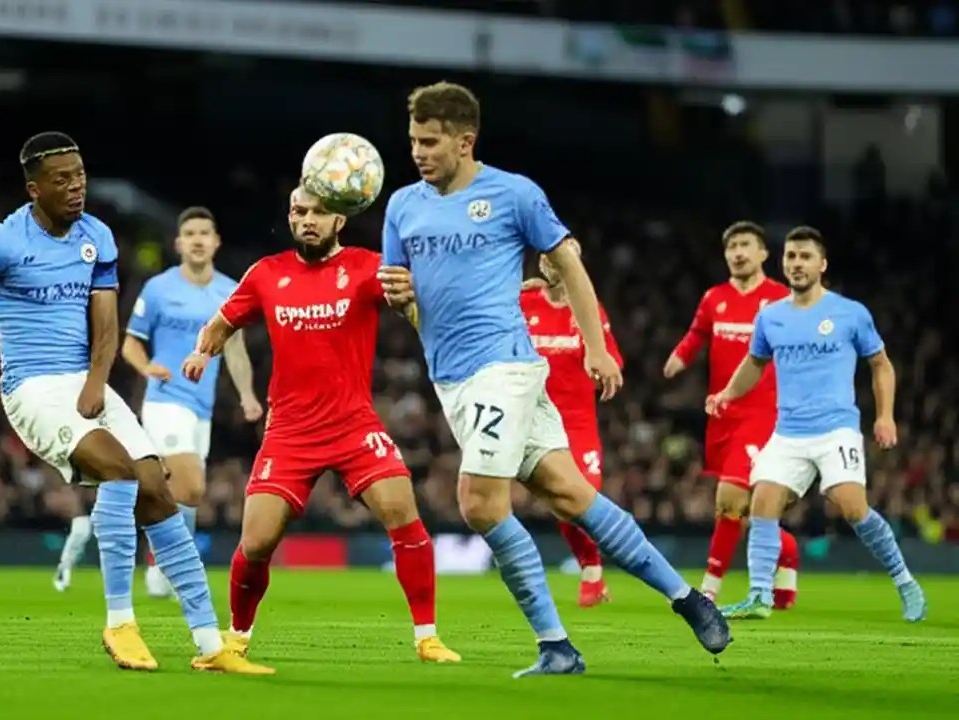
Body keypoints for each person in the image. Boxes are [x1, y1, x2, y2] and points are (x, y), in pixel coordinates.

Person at [377, 81, 730, 677]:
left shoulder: (514, 194)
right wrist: (402, 300)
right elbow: (409, 302)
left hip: (505, 368)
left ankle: (555, 645)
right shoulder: (402, 207)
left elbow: (569, 261)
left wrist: (596, 348)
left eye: (431, 141)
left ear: (466, 141)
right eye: (413, 140)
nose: (418, 152)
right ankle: (688, 599)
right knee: (571, 495)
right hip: (453, 379)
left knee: (478, 503)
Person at [0, 131, 271, 674]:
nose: (76, 186)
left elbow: (106, 325)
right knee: (118, 473)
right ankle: (121, 622)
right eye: (62, 180)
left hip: (85, 380)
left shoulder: (96, 236)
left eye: (80, 175)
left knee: (157, 491)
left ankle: (208, 642)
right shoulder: (4, 240)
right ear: (35, 189)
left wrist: (97, 382)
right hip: (31, 388)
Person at [181, 185, 460, 664]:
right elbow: (224, 321)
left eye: (317, 213)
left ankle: (428, 637)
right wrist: (201, 351)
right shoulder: (267, 274)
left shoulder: (366, 266)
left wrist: (414, 301)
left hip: (354, 424)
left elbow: (411, 302)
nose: (306, 220)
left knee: (403, 512)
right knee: (257, 541)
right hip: (289, 431)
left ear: (339, 222)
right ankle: (236, 639)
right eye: (298, 211)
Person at [708, 226, 926, 622]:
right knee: (761, 503)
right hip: (788, 432)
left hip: (835, 429)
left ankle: (906, 582)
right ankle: (759, 596)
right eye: (790, 256)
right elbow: (754, 364)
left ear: (822, 265)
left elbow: (880, 364)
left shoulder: (850, 313)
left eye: (805, 257)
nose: (796, 264)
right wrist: (727, 394)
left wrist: (885, 415)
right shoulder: (770, 317)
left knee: (852, 508)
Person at [52, 207, 262, 596]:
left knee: (173, 492)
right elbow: (131, 341)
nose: (198, 239)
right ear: (179, 243)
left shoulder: (231, 291)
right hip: (165, 400)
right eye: (190, 233)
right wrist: (147, 367)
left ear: (216, 242)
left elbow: (235, 350)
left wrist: (247, 395)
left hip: (202, 408)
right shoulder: (159, 288)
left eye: (205, 232)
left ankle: (100, 527)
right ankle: (169, 565)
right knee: (193, 487)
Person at [664, 221, 799, 607]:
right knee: (748, 508)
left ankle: (709, 586)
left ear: (763, 254)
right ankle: (787, 557)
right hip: (721, 413)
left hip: (763, 413)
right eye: (732, 246)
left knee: (729, 499)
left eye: (746, 245)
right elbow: (696, 334)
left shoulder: (779, 299)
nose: (738, 252)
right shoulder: (714, 298)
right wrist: (680, 357)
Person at [518, 238, 622, 608]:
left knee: (585, 495)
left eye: (566, 254)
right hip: (532, 421)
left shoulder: (589, 310)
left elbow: (613, 364)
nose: (555, 261)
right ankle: (590, 574)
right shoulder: (523, 302)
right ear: (542, 263)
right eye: (547, 255)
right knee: (560, 501)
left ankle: (593, 569)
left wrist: (600, 369)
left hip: (578, 422)